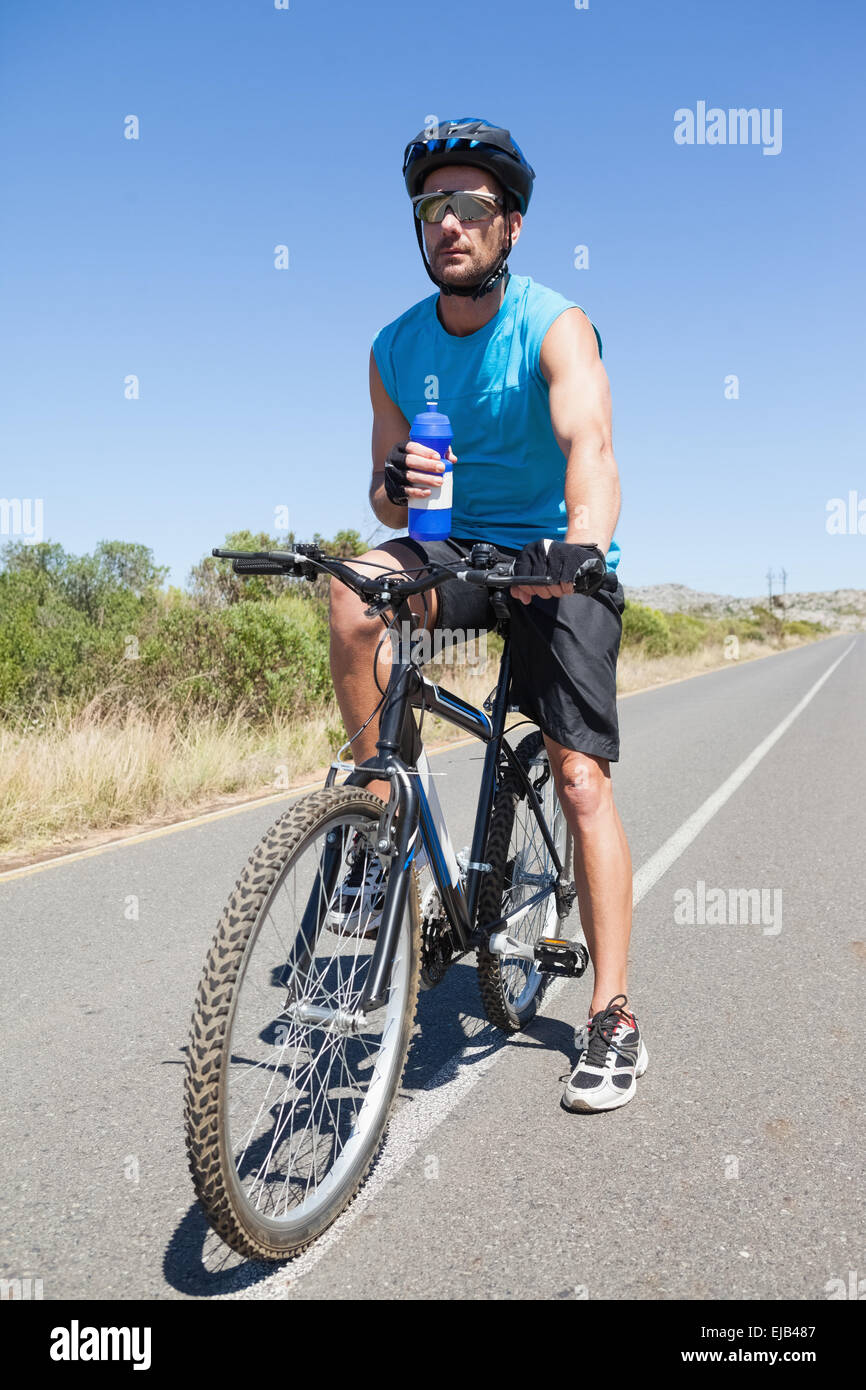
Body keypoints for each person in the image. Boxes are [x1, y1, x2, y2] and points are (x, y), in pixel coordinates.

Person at [328, 117, 647, 1112]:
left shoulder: (554, 324)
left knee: (578, 775)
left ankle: (611, 1012)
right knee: (351, 591)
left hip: (558, 552)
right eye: (433, 207)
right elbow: (388, 503)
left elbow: (588, 444)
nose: (449, 222)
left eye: (470, 206)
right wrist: (390, 486)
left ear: (508, 226)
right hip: (456, 547)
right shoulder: (392, 347)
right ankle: (382, 813)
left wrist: (577, 546)